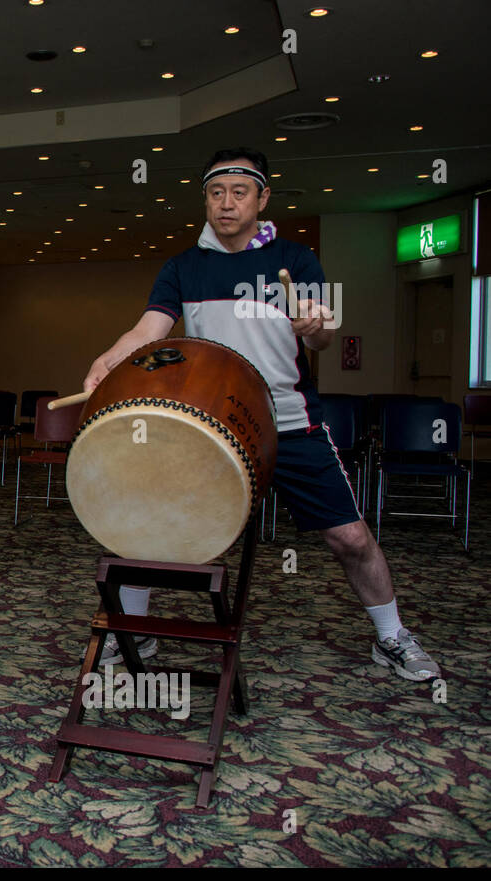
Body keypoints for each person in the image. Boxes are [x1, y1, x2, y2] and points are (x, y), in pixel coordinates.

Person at [83, 147, 440, 682]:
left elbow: (322, 335)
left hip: (291, 424)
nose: (227, 203)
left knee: (351, 538)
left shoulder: (295, 260)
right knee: (146, 525)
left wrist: (316, 323)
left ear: (262, 198)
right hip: (213, 427)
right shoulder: (183, 266)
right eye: (216, 192)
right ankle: (135, 633)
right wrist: (108, 362)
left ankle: (391, 637)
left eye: (239, 192)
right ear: (205, 198)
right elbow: (147, 332)